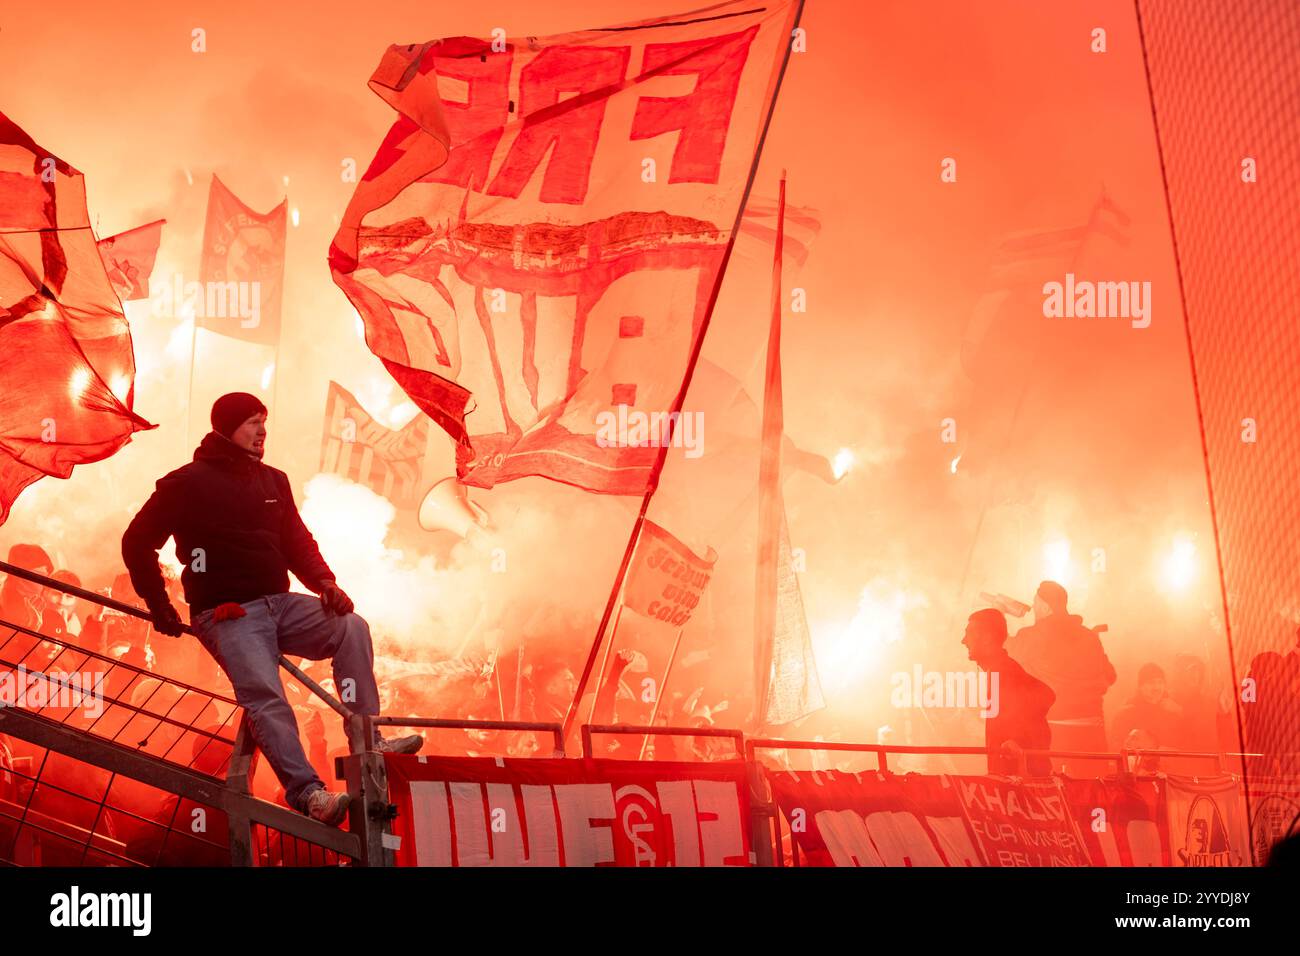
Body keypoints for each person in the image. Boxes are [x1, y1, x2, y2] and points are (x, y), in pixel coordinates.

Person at [121, 392, 422, 827]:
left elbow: (297, 542)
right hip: (226, 613)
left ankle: (367, 740)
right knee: (267, 696)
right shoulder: (186, 482)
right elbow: (137, 540)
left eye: (265, 421)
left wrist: (325, 583)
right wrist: (158, 603)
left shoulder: (273, 481)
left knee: (351, 627)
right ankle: (308, 794)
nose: (262, 431)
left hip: (280, 605)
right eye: (251, 423)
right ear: (226, 428)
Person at [1006, 581, 1116, 772]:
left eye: (1036, 603)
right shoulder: (1089, 637)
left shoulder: (1036, 635)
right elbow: (1110, 676)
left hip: (1055, 733)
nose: (1033, 610)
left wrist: (998, 611)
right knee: (1094, 793)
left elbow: (1004, 650)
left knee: (1052, 794)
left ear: (1045, 606)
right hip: (1092, 733)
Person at [962, 608, 1056, 777]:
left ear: (987, 639)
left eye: (969, 634)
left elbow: (1046, 696)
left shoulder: (1004, 671)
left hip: (1019, 781)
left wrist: (1019, 740)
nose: (963, 641)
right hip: (1013, 779)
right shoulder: (1001, 670)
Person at [1110, 662, 1182, 751]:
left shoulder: (1172, 713)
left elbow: (1182, 746)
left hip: (1165, 764)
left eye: (1160, 682)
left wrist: (1180, 711)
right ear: (1140, 686)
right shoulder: (1126, 714)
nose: (1156, 687)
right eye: (1151, 683)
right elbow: (1117, 748)